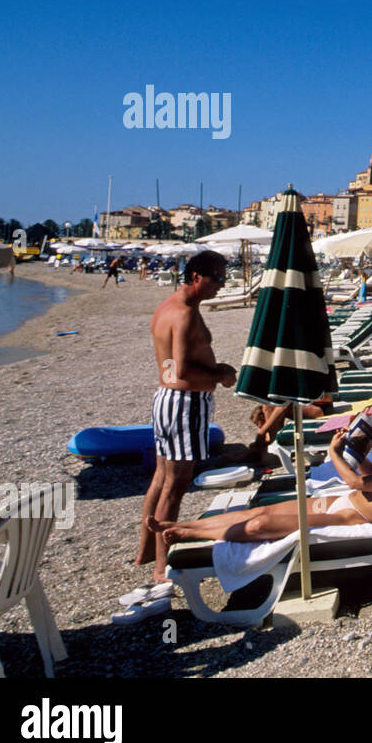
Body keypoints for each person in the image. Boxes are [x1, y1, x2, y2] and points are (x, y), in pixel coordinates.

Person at [147, 413, 372, 544]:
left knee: (259, 526)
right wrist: (358, 450)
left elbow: (359, 483)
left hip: (348, 516)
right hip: (339, 503)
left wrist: (335, 454)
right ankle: (179, 525)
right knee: (260, 512)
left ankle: (190, 535)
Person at [130, 250, 236, 594]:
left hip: (169, 402)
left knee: (162, 478)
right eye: (217, 278)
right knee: (176, 484)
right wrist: (220, 374)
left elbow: (170, 369)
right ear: (196, 277)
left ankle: (146, 551)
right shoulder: (185, 314)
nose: (222, 285)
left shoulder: (166, 308)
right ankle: (162, 568)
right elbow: (179, 370)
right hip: (183, 402)